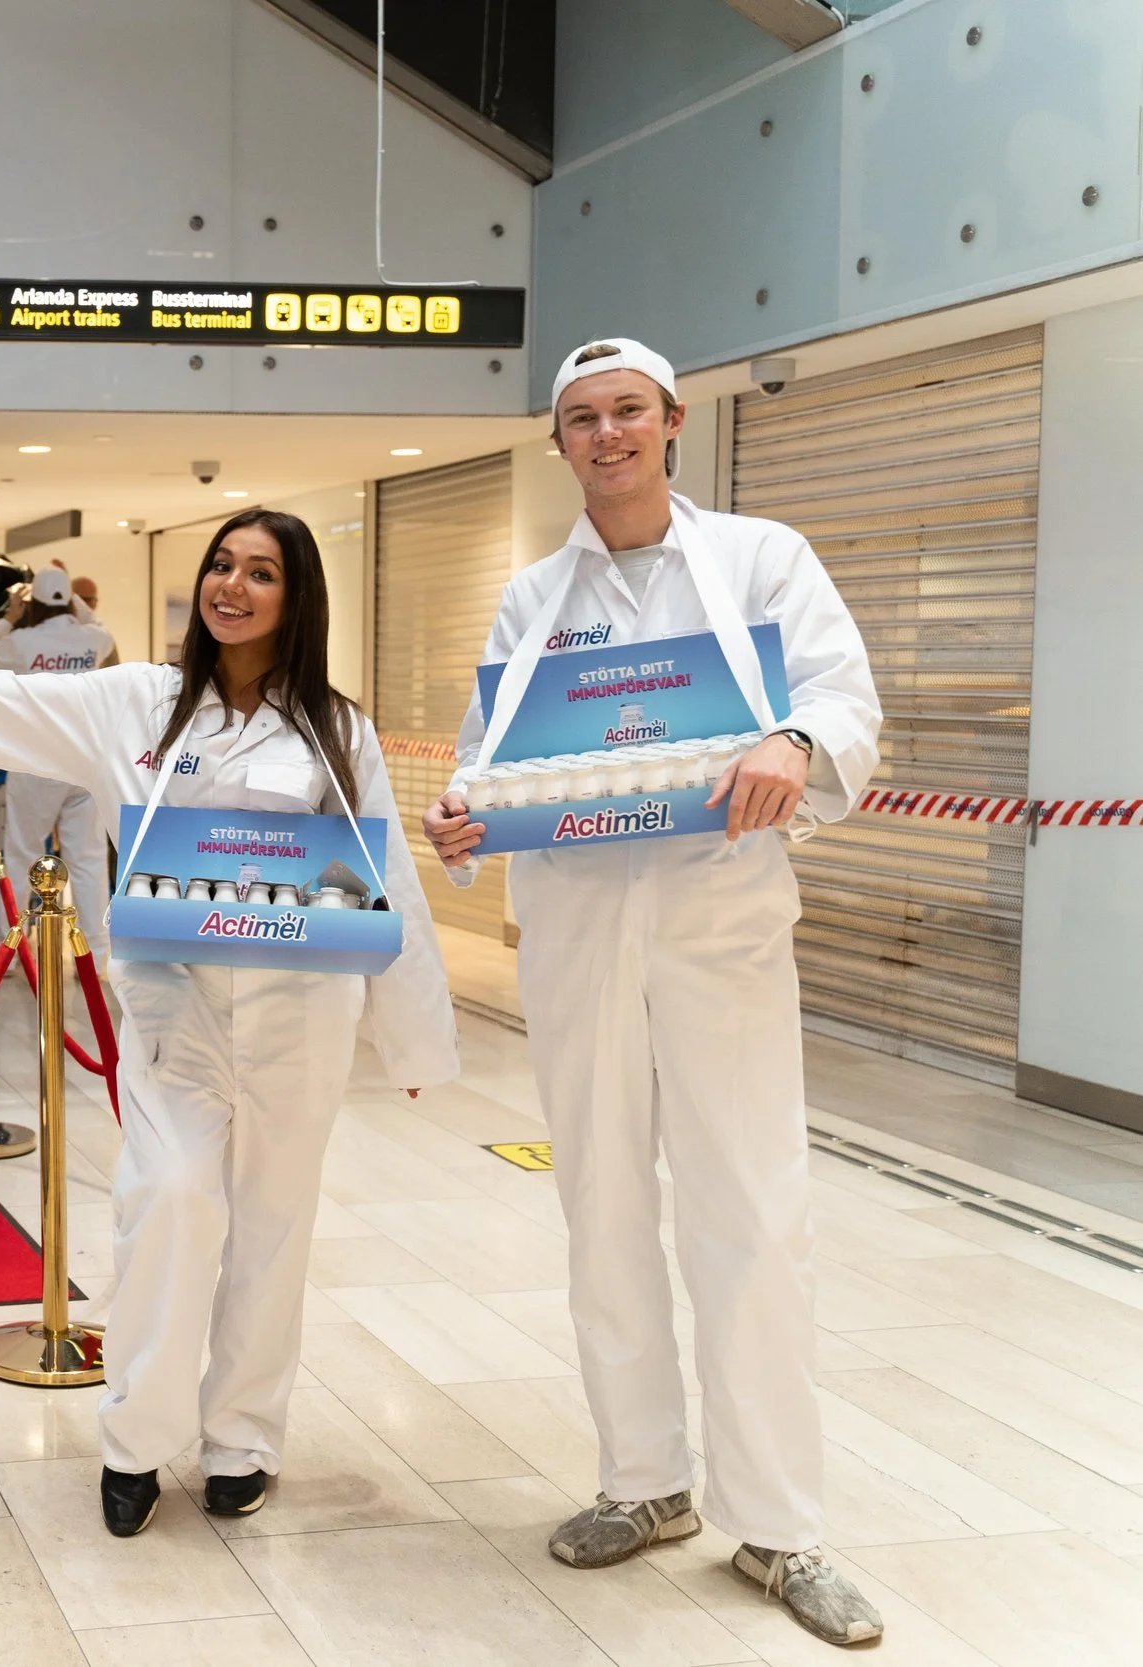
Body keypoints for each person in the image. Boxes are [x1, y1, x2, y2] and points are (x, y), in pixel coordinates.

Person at [0, 509, 459, 1536]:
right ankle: (134, 1440)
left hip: (299, 1014)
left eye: (259, 572)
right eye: (221, 564)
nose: (231, 585)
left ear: (294, 596)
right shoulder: (135, 701)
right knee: (167, 1204)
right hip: (174, 1012)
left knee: (272, 1229)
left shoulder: (333, 726)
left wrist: (410, 1030)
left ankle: (241, 1441)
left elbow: (385, 867)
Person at [421, 337, 884, 1647]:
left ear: (673, 422)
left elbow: (848, 697)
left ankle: (783, 1525)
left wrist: (797, 739)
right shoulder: (533, 597)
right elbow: (484, 762)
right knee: (602, 1202)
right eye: (582, 418)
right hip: (575, 935)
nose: (607, 434)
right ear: (559, 442)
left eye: (628, 411)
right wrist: (464, 818)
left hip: (720, 923)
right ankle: (646, 1481)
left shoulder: (759, 559)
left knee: (754, 1204)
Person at [0, 564, 121, 965]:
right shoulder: (92, 638)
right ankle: (97, 956)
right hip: (85, 762)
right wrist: (75, 600)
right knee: (89, 860)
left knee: (21, 854)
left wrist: (10, 616)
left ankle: (6, 954)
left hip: (37, 761)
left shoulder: (20, 642)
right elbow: (101, 628)